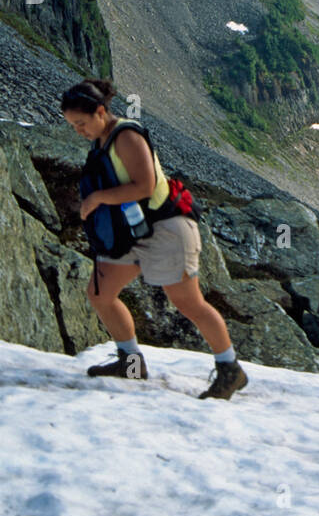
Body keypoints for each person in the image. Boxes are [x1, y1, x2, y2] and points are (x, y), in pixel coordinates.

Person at [61, 78, 248, 400]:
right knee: (101, 294)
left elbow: (145, 187)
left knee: (188, 302)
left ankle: (231, 370)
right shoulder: (102, 139)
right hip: (132, 231)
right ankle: (131, 364)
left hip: (167, 228)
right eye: (72, 125)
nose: (79, 130)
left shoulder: (127, 137)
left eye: (81, 123)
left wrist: (99, 199)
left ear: (101, 112)